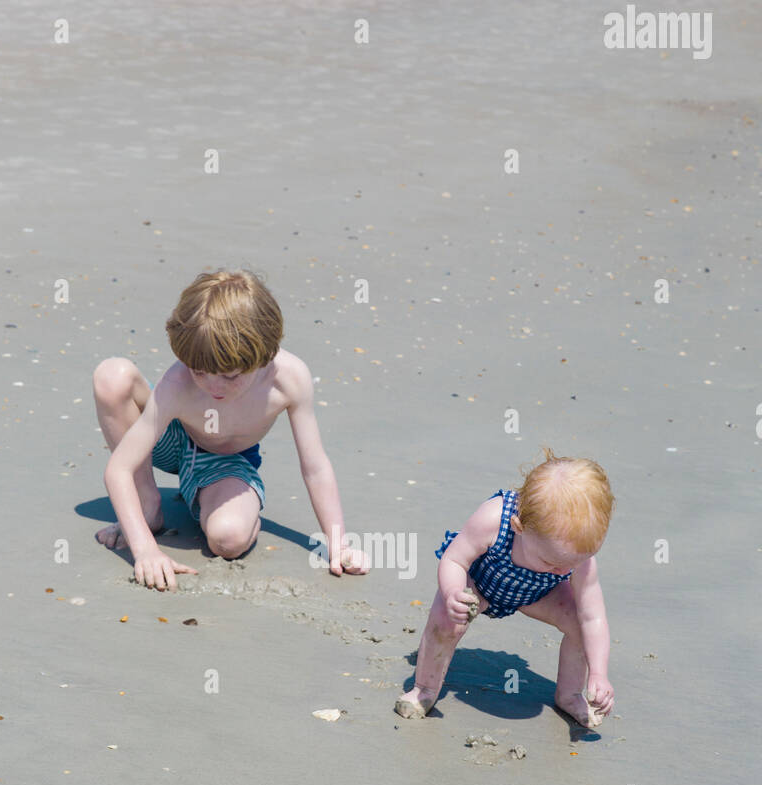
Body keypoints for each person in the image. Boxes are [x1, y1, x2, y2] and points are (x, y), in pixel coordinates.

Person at [92, 269, 369, 590]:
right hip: (172, 435)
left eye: (230, 375)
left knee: (228, 539)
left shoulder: (289, 378)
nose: (213, 386)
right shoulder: (178, 383)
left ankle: (229, 499)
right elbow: (118, 469)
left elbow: (315, 465)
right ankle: (147, 507)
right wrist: (145, 551)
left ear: (263, 357)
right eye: (199, 371)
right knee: (112, 376)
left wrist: (338, 543)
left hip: (222, 460)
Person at [395, 449, 614, 729]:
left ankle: (570, 694)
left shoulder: (574, 558)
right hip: (480, 583)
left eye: (572, 563)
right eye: (550, 561)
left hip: (537, 594)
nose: (563, 572)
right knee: (447, 621)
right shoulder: (494, 519)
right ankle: (424, 688)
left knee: (580, 626)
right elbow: (454, 559)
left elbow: (593, 617)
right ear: (519, 526)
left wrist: (599, 673)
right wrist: (452, 593)